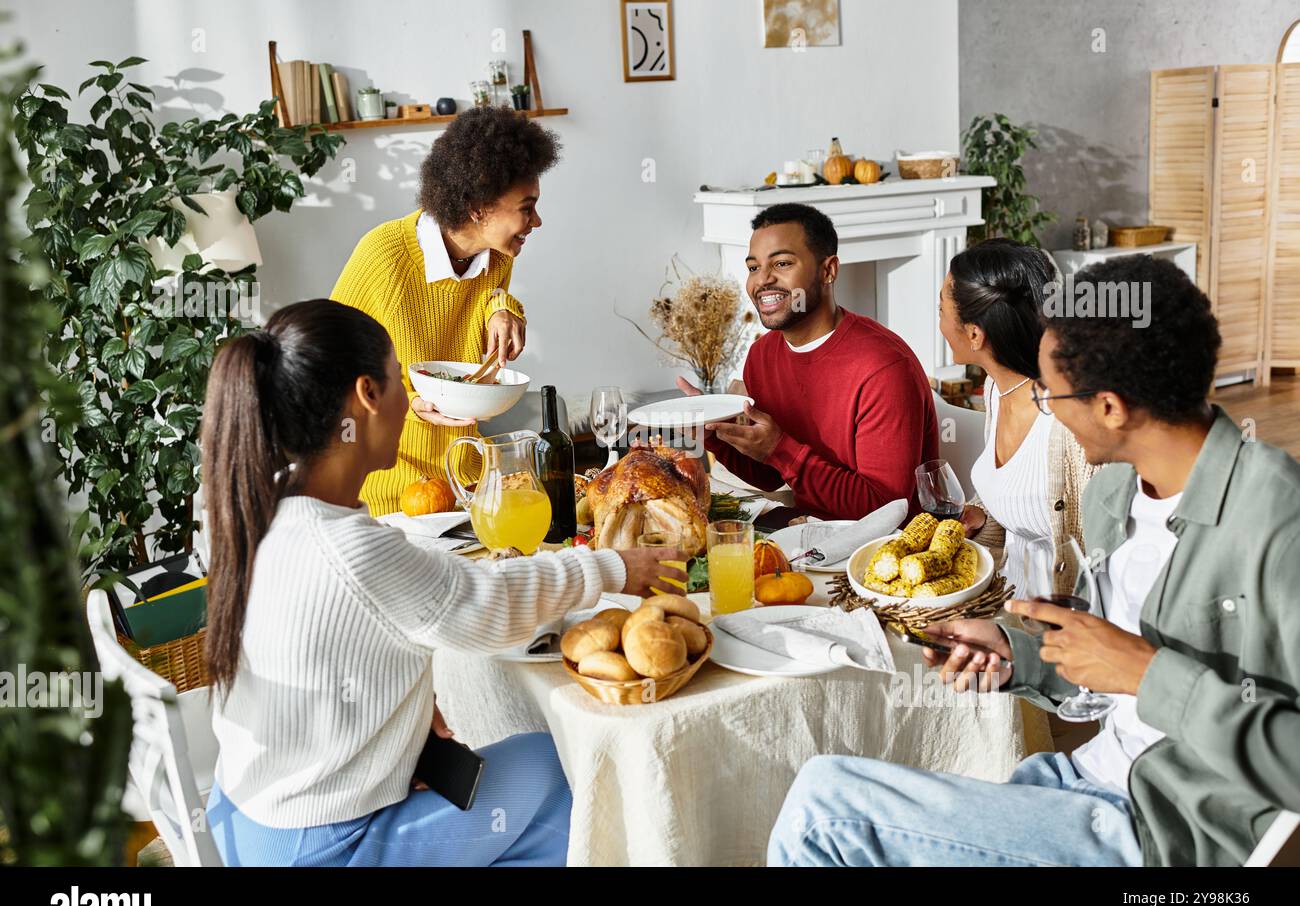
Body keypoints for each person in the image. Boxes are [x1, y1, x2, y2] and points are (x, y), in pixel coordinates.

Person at [768, 256, 1300, 867]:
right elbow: (1103, 678)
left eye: (1049, 389)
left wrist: (1147, 673)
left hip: (1168, 838)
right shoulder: (1114, 494)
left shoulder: (1277, 524)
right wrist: (1017, 655)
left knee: (822, 808)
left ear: (1109, 408)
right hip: (1080, 782)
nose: (1041, 402)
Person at [200, 299, 685, 867]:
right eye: (400, 378)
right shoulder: (349, 547)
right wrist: (615, 566)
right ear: (367, 395)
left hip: (248, 816)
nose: (409, 399)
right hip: (323, 846)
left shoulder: (255, 503)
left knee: (525, 760)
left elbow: (336, 647)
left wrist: (405, 735)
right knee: (571, 773)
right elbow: (486, 604)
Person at [331, 107, 559, 515]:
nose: (537, 221)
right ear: (479, 208)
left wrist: (503, 308)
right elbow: (328, 378)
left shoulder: (499, 254)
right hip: (391, 494)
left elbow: (480, 300)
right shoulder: (383, 257)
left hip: (467, 482)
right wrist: (406, 407)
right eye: (527, 207)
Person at [678, 202, 938, 520]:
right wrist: (714, 433)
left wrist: (780, 448)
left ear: (828, 270)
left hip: (879, 552)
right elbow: (772, 475)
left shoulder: (882, 369)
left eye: (782, 263)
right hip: (809, 536)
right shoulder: (762, 356)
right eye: (753, 268)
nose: (762, 281)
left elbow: (884, 508)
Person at [939, 238, 1096, 597]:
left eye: (940, 312)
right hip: (1008, 597)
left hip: (1064, 621)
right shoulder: (996, 389)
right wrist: (982, 515)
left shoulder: (1070, 419)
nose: (940, 325)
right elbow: (1021, 496)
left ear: (975, 335)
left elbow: (1102, 548)